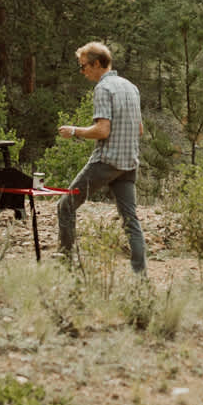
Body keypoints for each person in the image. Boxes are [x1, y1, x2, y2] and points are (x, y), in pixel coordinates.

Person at [56, 41, 147, 275]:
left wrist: (74, 131)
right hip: (128, 164)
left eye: (84, 66)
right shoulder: (131, 87)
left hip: (106, 162)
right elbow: (139, 130)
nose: (82, 71)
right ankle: (141, 276)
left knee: (65, 205)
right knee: (130, 220)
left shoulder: (103, 89)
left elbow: (102, 130)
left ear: (97, 64)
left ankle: (66, 268)